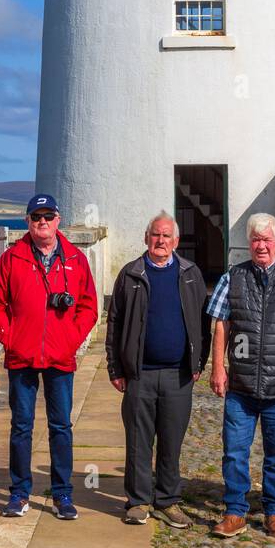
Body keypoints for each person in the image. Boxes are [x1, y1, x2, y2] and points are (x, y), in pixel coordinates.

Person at [0, 194, 98, 520]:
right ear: (28, 221)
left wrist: (71, 339)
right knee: (21, 426)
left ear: (58, 219)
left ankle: (62, 493)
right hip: (22, 356)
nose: (42, 222)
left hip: (60, 357)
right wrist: (10, 337)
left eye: (48, 216)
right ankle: (19, 493)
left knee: (61, 426)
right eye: (36, 217)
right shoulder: (12, 258)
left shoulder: (75, 258)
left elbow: (89, 305)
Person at [207, 213, 275, 540]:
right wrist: (217, 367)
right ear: (249, 243)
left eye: (267, 240)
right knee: (234, 452)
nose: (261, 246)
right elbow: (220, 324)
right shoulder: (233, 278)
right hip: (241, 386)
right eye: (256, 240)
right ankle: (235, 512)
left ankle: (274, 513)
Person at [106, 211, 210, 527]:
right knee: (138, 440)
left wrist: (198, 363)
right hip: (140, 373)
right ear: (146, 238)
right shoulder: (130, 274)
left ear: (175, 241)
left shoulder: (191, 274)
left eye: (166, 236)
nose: (160, 241)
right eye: (155, 234)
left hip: (179, 374)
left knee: (171, 440)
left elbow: (203, 323)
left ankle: (167, 500)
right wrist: (115, 368)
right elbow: (115, 323)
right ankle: (138, 501)